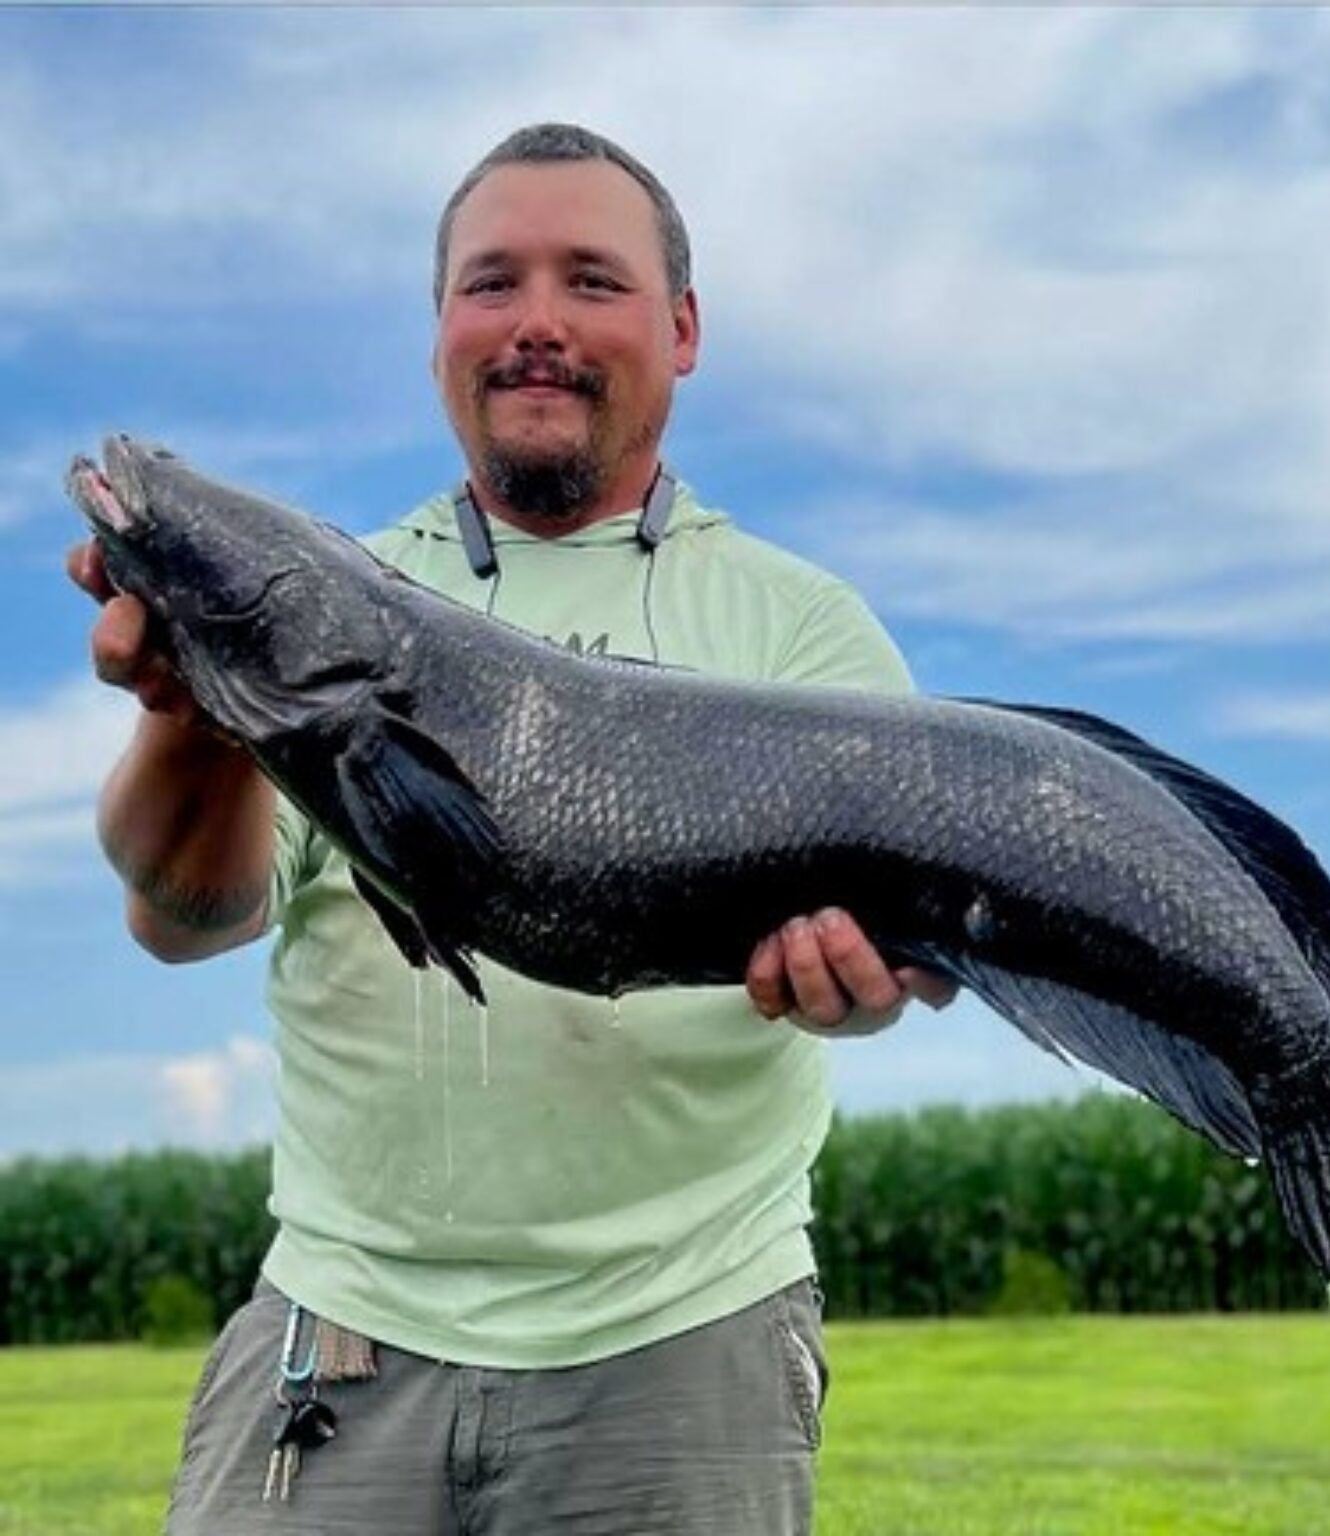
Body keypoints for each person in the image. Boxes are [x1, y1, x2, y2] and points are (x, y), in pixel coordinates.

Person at [68, 123, 952, 1534]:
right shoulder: (333, 601)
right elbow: (184, 917)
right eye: (492, 283)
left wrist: (862, 992)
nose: (536, 322)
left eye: (591, 281)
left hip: (687, 1347)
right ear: (438, 334)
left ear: (681, 328)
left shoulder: (803, 630)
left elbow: (894, 966)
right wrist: (193, 705)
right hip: (342, 1339)